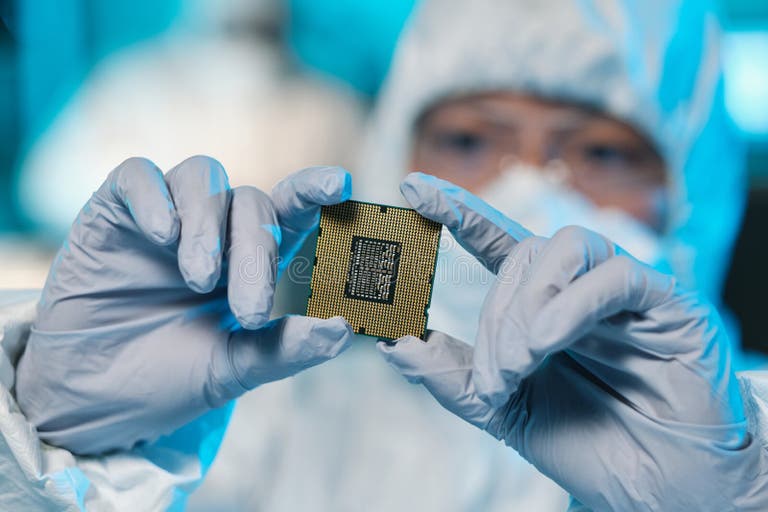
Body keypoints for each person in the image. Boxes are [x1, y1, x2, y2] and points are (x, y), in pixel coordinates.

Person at [1, 1, 767, 512]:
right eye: (469, 140)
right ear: (391, 158)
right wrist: (57, 446)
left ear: (699, 190)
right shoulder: (268, 422)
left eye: (601, 151)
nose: (527, 190)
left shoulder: (741, 446)